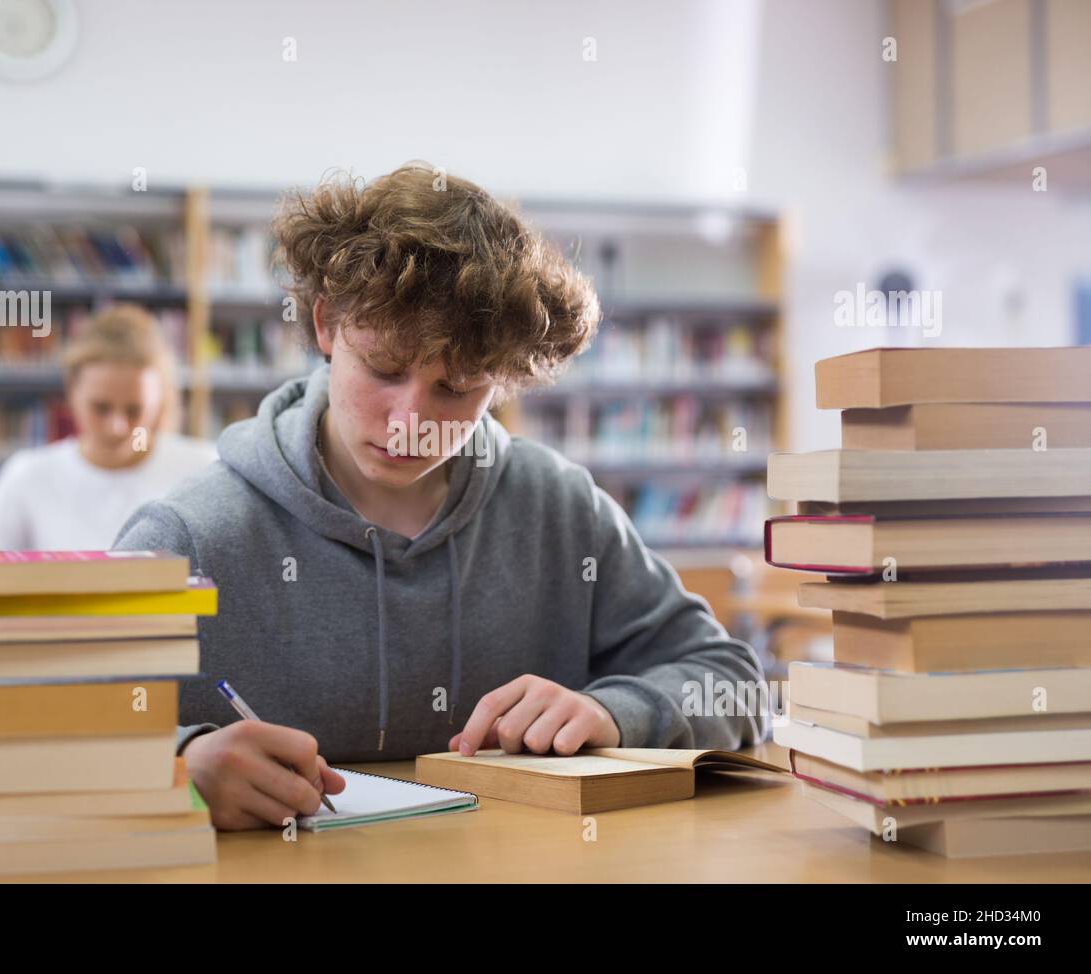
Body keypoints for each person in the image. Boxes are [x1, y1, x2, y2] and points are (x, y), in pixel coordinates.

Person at [115, 163, 768, 831]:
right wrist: (176, 768)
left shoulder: (561, 510)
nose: (411, 421)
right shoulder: (191, 534)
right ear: (326, 325)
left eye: (456, 387)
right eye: (384, 369)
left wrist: (616, 712)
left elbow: (734, 681)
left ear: (504, 378)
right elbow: (27, 733)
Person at [0, 303, 215, 550]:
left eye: (134, 410)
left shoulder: (204, 472)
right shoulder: (26, 476)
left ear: (161, 401)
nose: (117, 427)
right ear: (72, 393)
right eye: (101, 408)